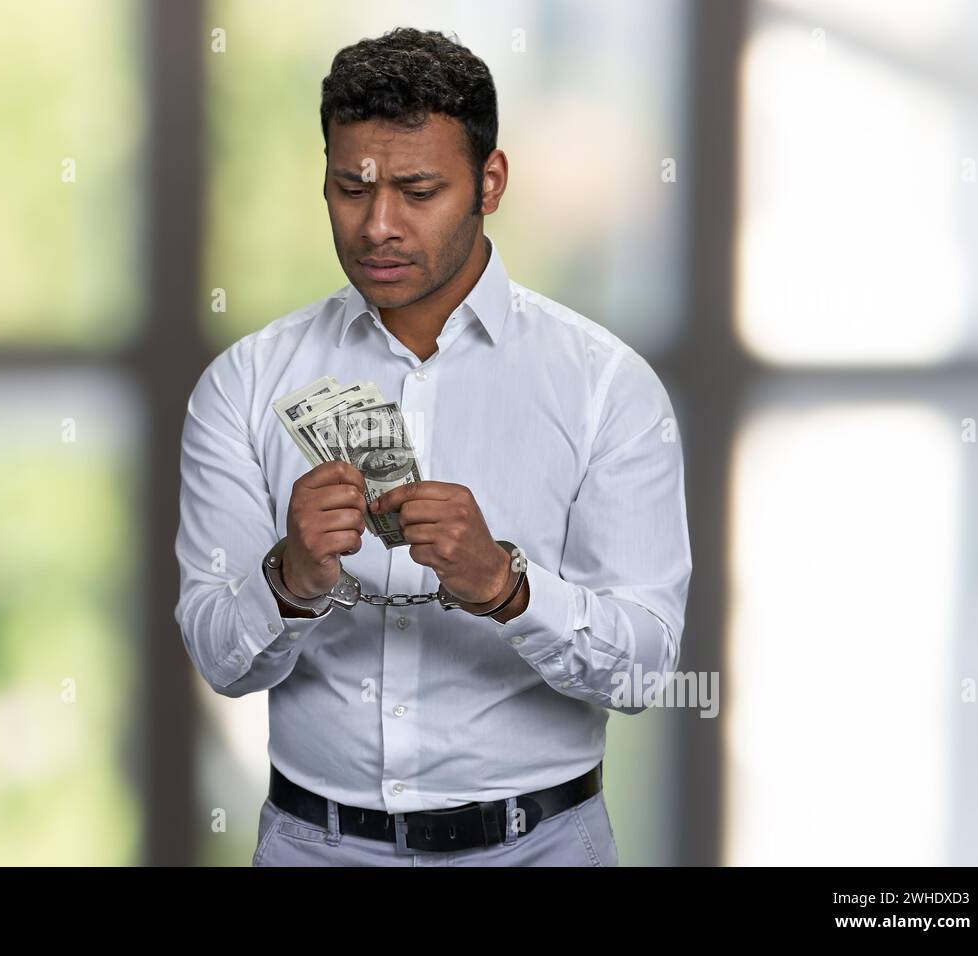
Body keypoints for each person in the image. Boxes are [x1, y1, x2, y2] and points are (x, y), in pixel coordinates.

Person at [174, 27, 691, 866]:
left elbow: (643, 671)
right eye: (351, 189)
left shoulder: (607, 386)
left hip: (541, 848)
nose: (378, 225)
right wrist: (289, 580)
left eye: (418, 191)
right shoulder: (244, 383)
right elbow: (219, 660)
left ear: (491, 182)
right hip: (314, 845)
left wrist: (506, 586)